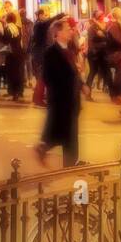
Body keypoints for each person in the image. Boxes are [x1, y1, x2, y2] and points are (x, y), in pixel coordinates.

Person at [36, 17, 84, 166]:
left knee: (67, 131)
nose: (71, 31)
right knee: (66, 131)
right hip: (61, 99)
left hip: (71, 97)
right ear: (58, 33)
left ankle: (64, 158)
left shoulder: (68, 50)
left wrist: (82, 84)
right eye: (67, 29)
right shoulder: (51, 52)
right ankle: (68, 161)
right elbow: (48, 76)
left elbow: (74, 71)